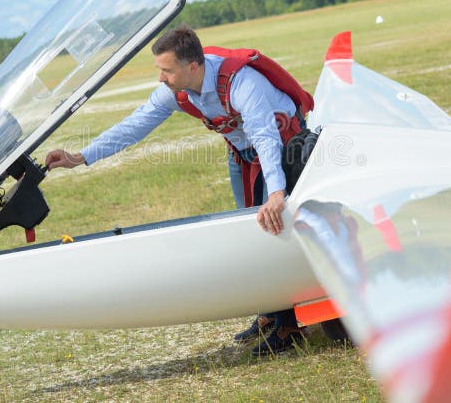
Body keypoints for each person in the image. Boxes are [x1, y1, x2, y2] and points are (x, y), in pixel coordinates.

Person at [45, 25, 310, 355]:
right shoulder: (176, 90)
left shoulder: (242, 81)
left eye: (166, 70)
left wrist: (275, 194)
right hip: (242, 152)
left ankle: (288, 327)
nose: (161, 78)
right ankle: (271, 313)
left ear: (193, 67)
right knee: (251, 230)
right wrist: (80, 157)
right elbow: (134, 126)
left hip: (283, 147)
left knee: (271, 228)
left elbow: (266, 137)